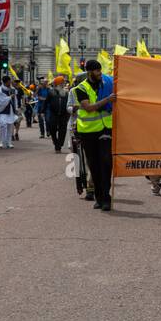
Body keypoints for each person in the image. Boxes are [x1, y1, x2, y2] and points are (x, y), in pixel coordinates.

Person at [74, 59, 115, 211]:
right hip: (88, 132)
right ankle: (98, 197)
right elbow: (89, 108)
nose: (100, 73)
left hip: (105, 130)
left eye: (100, 70)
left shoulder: (106, 83)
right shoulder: (80, 88)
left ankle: (106, 198)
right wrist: (107, 100)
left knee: (106, 163)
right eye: (97, 71)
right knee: (94, 166)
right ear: (90, 72)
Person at [48, 77, 69, 153]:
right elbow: (47, 102)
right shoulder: (51, 92)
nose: (63, 84)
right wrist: (42, 111)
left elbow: (68, 103)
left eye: (63, 83)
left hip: (63, 114)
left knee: (62, 130)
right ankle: (55, 141)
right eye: (61, 83)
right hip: (54, 114)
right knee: (52, 129)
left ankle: (59, 144)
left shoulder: (66, 93)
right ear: (57, 84)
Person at [0, 79, 18, 149]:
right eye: (9, 82)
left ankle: (9, 142)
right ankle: (1, 141)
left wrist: (16, 108)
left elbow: (15, 99)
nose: (10, 83)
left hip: (10, 110)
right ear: (5, 82)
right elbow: (0, 100)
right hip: (3, 110)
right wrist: (9, 97)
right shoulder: (0, 90)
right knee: (3, 124)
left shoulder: (13, 89)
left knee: (10, 126)